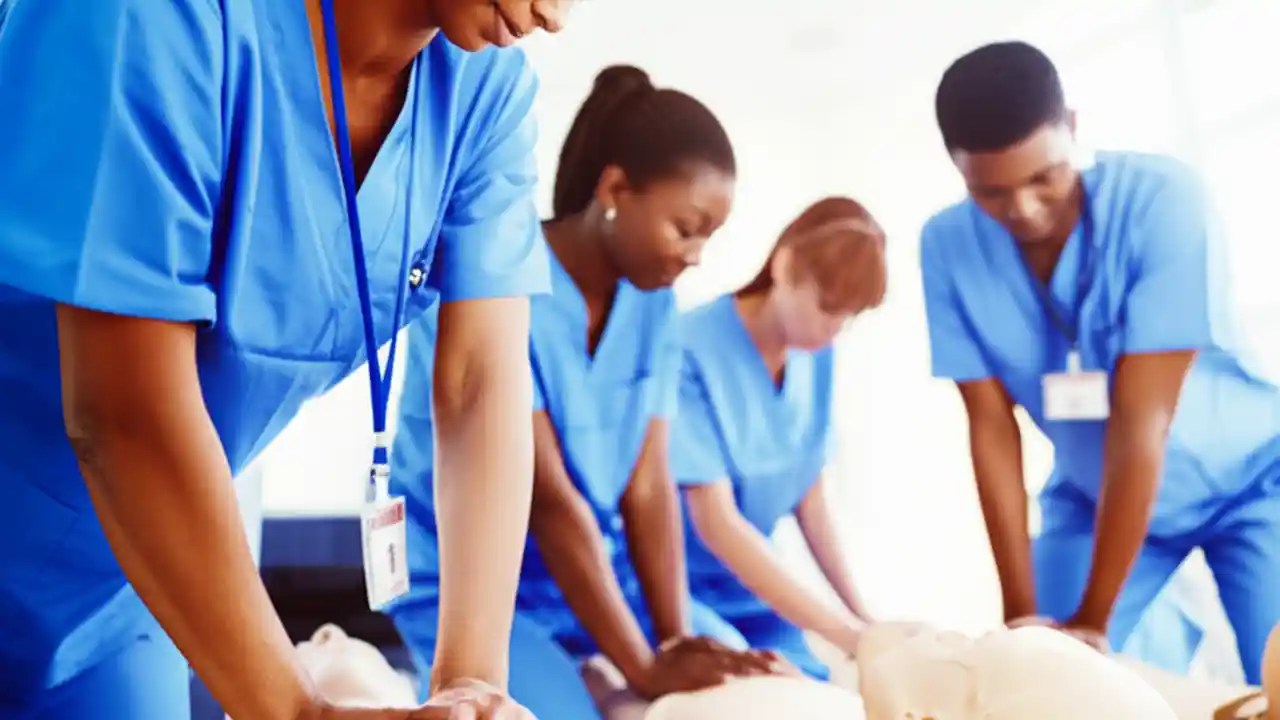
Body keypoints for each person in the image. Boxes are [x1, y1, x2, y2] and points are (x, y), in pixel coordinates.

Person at [0, 1, 573, 718]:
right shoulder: (150, 17)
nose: (556, 15)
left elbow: (478, 385)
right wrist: (302, 713)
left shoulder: (483, 93)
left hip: (118, 591)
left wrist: (471, 692)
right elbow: (125, 415)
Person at [388, 65, 784, 719]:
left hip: (599, 576)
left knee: (742, 691)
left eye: (709, 237)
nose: (695, 256)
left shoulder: (652, 305)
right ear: (615, 189)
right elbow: (551, 504)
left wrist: (675, 639)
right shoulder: (498, 282)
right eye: (685, 228)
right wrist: (646, 669)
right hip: (480, 585)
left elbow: (649, 486)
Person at [919, 40, 1280, 682]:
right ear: (957, 170)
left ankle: (1164, 614)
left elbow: (1143, 423)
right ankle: (1166, 618)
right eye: (990, 192)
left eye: (1043, 177)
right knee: (1040, 679)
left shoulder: (1165, 198)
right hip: (1091, 496)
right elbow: (991, 432)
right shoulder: (946, 246)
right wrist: (1021, 619)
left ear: (1073, 130)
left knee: (1274, 669)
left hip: (1252, 479)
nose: (1023, 210)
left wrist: (1093, 620)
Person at [670, 197, 887, 680]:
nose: (835, 331)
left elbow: (809, 501)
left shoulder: (816, 356)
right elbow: (718, 525)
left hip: (758, 597)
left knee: (818, 689)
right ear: (785, 265)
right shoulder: (688, 347)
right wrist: (847, 635)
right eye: (828, 309)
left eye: (849, 317)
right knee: (750, 690)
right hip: (675, 591)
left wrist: (864, 622)